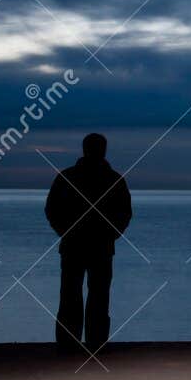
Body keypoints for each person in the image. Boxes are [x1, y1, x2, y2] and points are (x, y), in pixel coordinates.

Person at [45, 133, 133, 353]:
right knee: (96, 296)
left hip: (78, 246)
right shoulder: (114, 179)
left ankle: (70, 344)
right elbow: (124, 214)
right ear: (103, 150)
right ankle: (95, 343)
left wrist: (65, 232)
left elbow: (51, 209)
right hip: (99, 247)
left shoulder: (67, 177)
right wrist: (110, 235)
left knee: (73, 295)